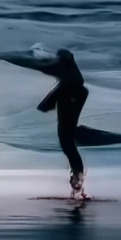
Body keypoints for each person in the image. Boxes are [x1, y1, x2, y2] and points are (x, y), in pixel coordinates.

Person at [35, 49, 89, 197]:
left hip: (66, 121)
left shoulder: (66, 86)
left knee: (68, 146)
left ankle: (77, 182)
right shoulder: (76, 85)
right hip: (68, 120)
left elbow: (44, 106)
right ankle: (77, 181)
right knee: (69, 146)